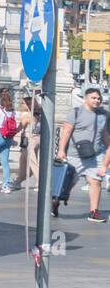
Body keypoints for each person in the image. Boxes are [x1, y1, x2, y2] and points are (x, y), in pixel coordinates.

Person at [55, 85, 110, 222]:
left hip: (95, 155)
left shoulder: (102, 115)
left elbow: (104, 134)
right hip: (75, 155)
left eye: (98, 98)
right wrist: (61, 151)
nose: (96, 101)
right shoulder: (75, 113)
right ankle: (54, 203)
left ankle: (94, 212)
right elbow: (66, 132)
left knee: (95, 181)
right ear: (85, 98)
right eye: (93, 98)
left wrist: (106, 156)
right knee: (66, 185)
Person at [17, 95, 41, 194]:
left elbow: (19, 127)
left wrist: (8, 133)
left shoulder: (27, 115)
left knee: (32, 161)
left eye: (23, 103)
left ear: (28, 104)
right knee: (23, 160)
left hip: (29, 139)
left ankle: (40, 182)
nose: (21, 105)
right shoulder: (39, 113)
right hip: (37, 138)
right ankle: (18, 180)